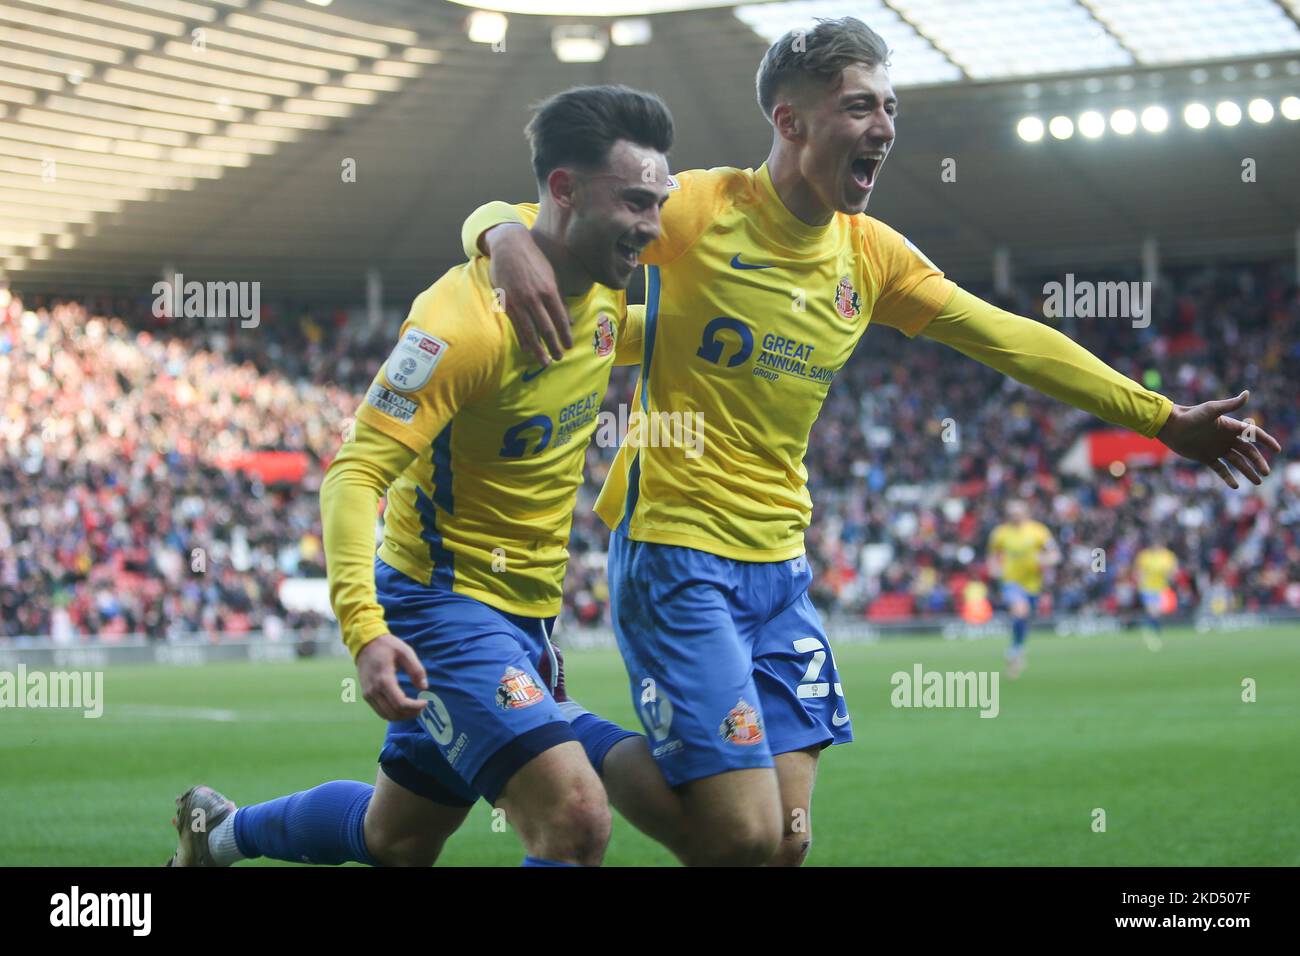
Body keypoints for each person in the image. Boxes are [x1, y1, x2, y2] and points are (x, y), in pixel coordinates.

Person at [459, 18, 1280, 866]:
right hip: (677, 553)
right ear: (791, 122)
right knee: (737, 839)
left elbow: (1007, 336)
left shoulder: (872, 254)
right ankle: (549, 730)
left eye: (890, 106)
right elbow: (550, 210)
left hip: (780, 569)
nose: (884, 125)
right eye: (859, 106)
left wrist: (1160, 418)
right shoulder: (704, 209)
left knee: (782, 844)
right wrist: (503, 237)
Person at [167, 85, 691, 867]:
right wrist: (365, 629)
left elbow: (597, 329)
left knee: (397, 838)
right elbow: (353, 472)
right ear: (564, 192)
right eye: (635, 203)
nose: (652, 226)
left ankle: (219, 839)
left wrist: (734, 329)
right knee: (575, 818)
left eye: (660, 202)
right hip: (439, 605)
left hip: (526, 617)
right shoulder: (462, 327)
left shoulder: (603, 279)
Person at [987, 501, 1059, 678]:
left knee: (1024, 619)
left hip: (1033, 583)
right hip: (1012, 581)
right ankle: (1016, 651)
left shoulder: (1038, 531)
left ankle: (1016, 649)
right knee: (1020, 611)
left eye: (1017, 514)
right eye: (1011, 514)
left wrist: (1045, 560)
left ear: (1026, 513)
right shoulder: (1000, 533)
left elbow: (1054, 554)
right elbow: (993, 555)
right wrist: (994, 568)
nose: (1014, 517)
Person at [1134, 537, 1178, 644]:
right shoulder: (1144, 556)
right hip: (1148, 588)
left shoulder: (1168, 556)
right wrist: (1140, 582)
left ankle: (1152, 629)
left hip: (1163, 588)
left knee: (1158, 612)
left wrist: (1170, 575)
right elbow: (1138, 571)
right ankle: (1155, 633)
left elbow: (1173, 571)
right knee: (1153, 611)